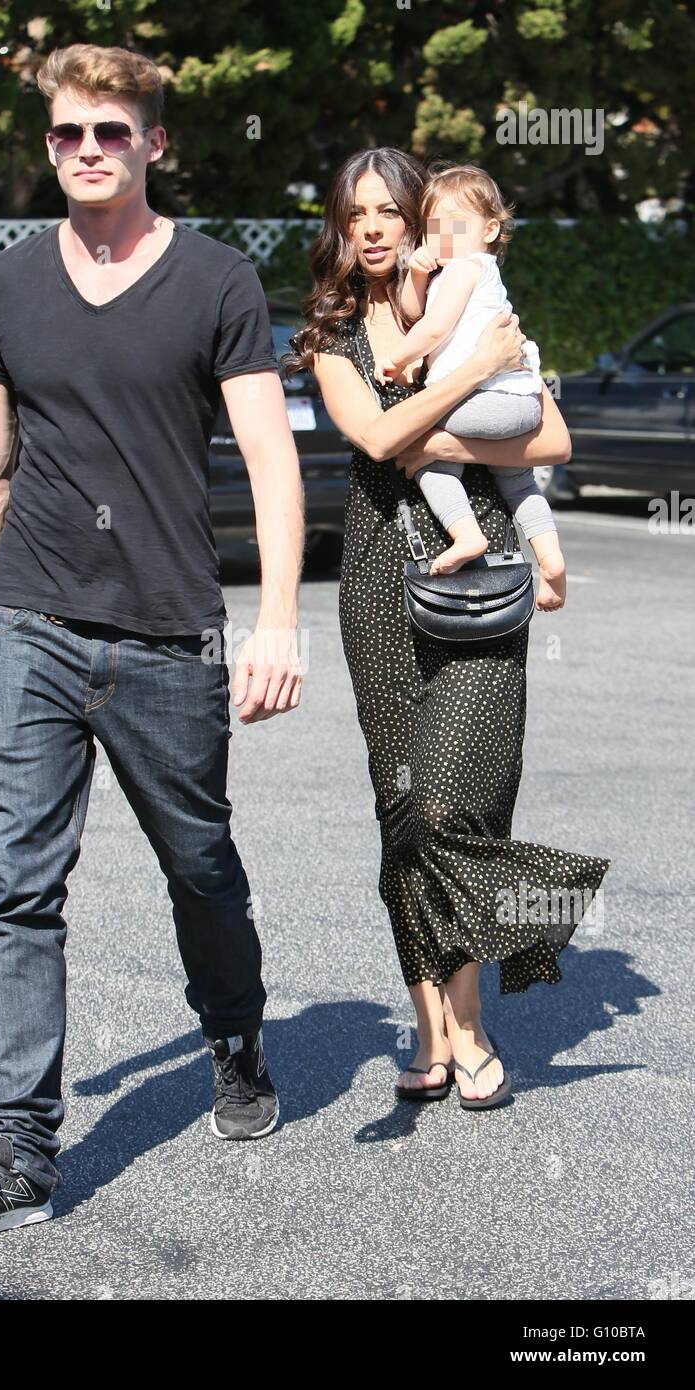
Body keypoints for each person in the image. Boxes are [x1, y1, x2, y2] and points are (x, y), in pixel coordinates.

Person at [0, 43, 304, 1246]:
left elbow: (269, 457)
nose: (88, 150)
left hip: (169, 631)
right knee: (17, 887)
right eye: (68, 132)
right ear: (50, 144)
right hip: (29, 623)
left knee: (201, 865)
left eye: (112, 131)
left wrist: (278, 618)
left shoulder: (218, 280)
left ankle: (233, 1031)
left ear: (153, 143)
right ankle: (16, 1149)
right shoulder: (3, 288)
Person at [286, 147, 610, 1110]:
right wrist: (471, 375)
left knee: (449, 807)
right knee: (401, 814)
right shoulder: (334, 338)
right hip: (377, 584)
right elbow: (378, 437)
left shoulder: (473, 303)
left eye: (390, 211)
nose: (373, 228)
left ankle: (474, 1015)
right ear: (340, 229)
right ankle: (434, 1027)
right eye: (356, 214)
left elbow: (551, 438)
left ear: (420, 219)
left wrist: (456, 407)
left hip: (481, 582)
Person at [372, 163, 565, 608]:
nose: (443, 236)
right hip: (517, 400)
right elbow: (413, 308)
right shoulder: (464, 272)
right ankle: (551, 559)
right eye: (434, 226)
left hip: (482, 399)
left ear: (490, 230)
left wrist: (398, 358)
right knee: (519, 483)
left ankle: (466, 534)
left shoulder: (466, 269)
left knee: (426, 454)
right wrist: (417, 274)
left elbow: (431, 327)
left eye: (456, 225)